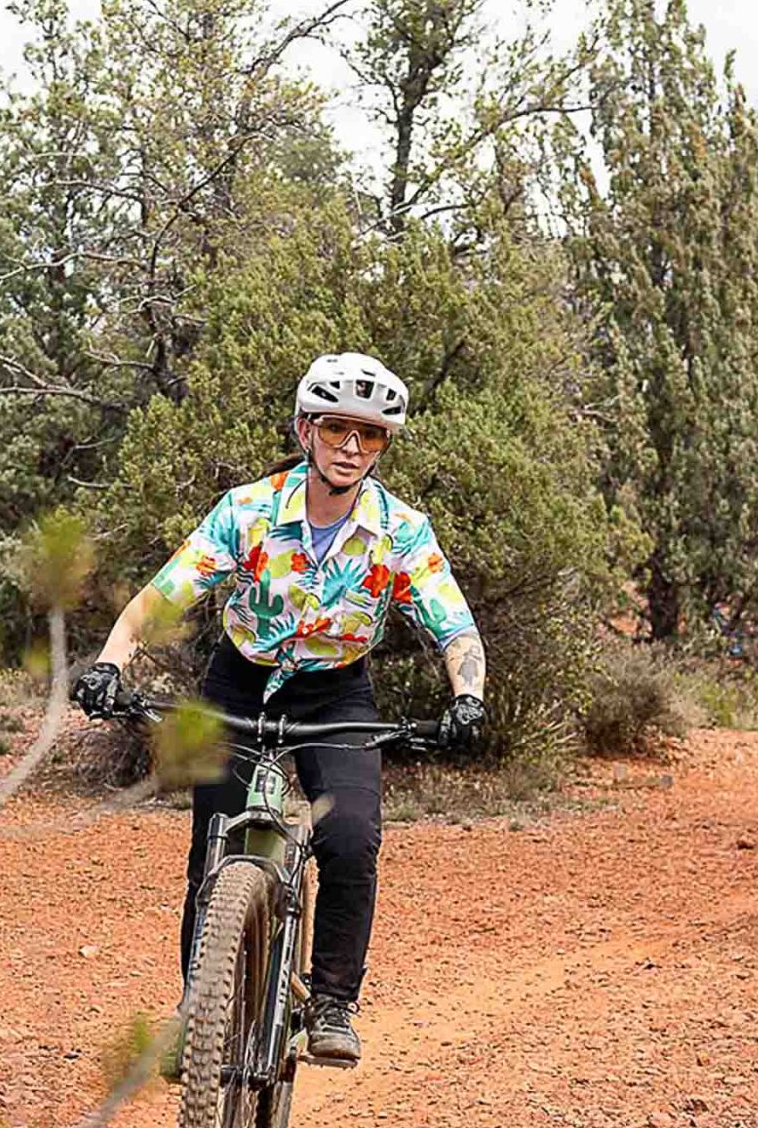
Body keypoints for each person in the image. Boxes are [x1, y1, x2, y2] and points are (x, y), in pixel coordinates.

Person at [70, 353, 487, 1067]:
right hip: (240, 678)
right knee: (213, 845)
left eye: (371, 435)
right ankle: (195, 1010)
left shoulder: (402, 532)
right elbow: (159, 599)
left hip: (336, 689)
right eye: (336, 429)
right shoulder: (249, 510)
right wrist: (110, 661)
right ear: (305, 429)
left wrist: (468, 695)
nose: (352, 448)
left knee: (351, 837)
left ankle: (331, 1000)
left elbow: (456, 628)